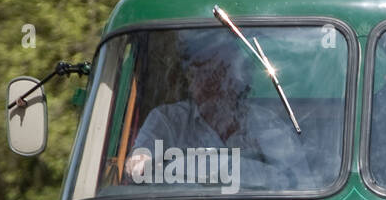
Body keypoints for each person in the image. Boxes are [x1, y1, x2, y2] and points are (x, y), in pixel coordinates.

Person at [124, 29, 313, 190]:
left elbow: (301, 182)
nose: (210, 83)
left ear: (237, 80)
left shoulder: (264, 123)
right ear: (189, 80)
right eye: (199, 71)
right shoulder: (167, 120)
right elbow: (138, 165)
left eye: (219, 73)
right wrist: (141, 161)